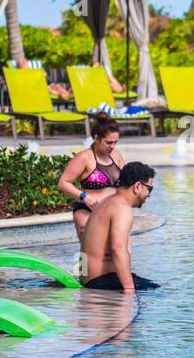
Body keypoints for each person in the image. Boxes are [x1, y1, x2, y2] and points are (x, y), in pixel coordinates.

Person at [81, 161, 160, 292]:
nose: (149, 195)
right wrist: (129, 288)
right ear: (137, 186)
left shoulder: (107, 201)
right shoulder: (122, 209)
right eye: (149, 189)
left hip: (90, 279)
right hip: (102, 281)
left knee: (158, 286)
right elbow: (118, 249)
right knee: (165, 292)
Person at [57, 116, 125, 241]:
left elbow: (125, 183)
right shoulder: (84, 157)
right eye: (109, 142)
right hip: (88, 210)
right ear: (96, 138)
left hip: (113, 210)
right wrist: (84, 197)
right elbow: (63, 183)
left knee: (116, 252)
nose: (113, 146)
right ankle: (83, 261)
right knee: (90, 253)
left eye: (116, 142)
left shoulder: (116, 156)